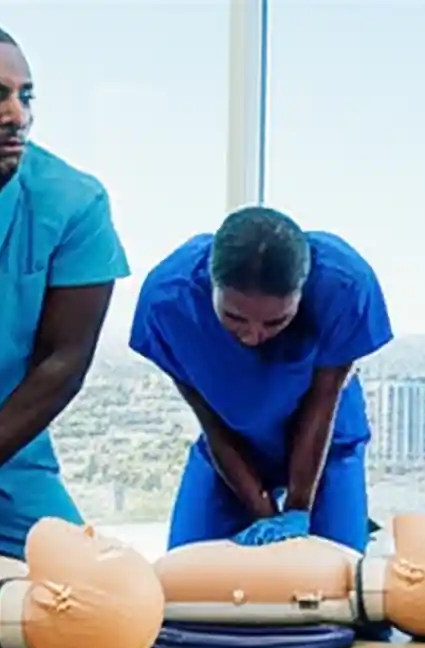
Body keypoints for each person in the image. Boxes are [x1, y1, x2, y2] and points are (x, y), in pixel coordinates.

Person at [0, 18, 129, 558]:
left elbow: (64, 359)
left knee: (89, 599)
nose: (15, 116)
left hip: (2, 453)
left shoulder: (72, 202)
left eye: (25, 96)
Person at [129, 206, 392, 554]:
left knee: (333, 577)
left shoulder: (343, 285)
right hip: (230, 442)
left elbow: (324, 399)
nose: (253, 336)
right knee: (190, 579)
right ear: (211, 284)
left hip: (326, 441)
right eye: (234, 317)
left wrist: (296, 512)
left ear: (301, 293)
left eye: (276, 322)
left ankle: (352, 523)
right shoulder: (168, 302)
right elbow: (208, 417)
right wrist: (262, 510)